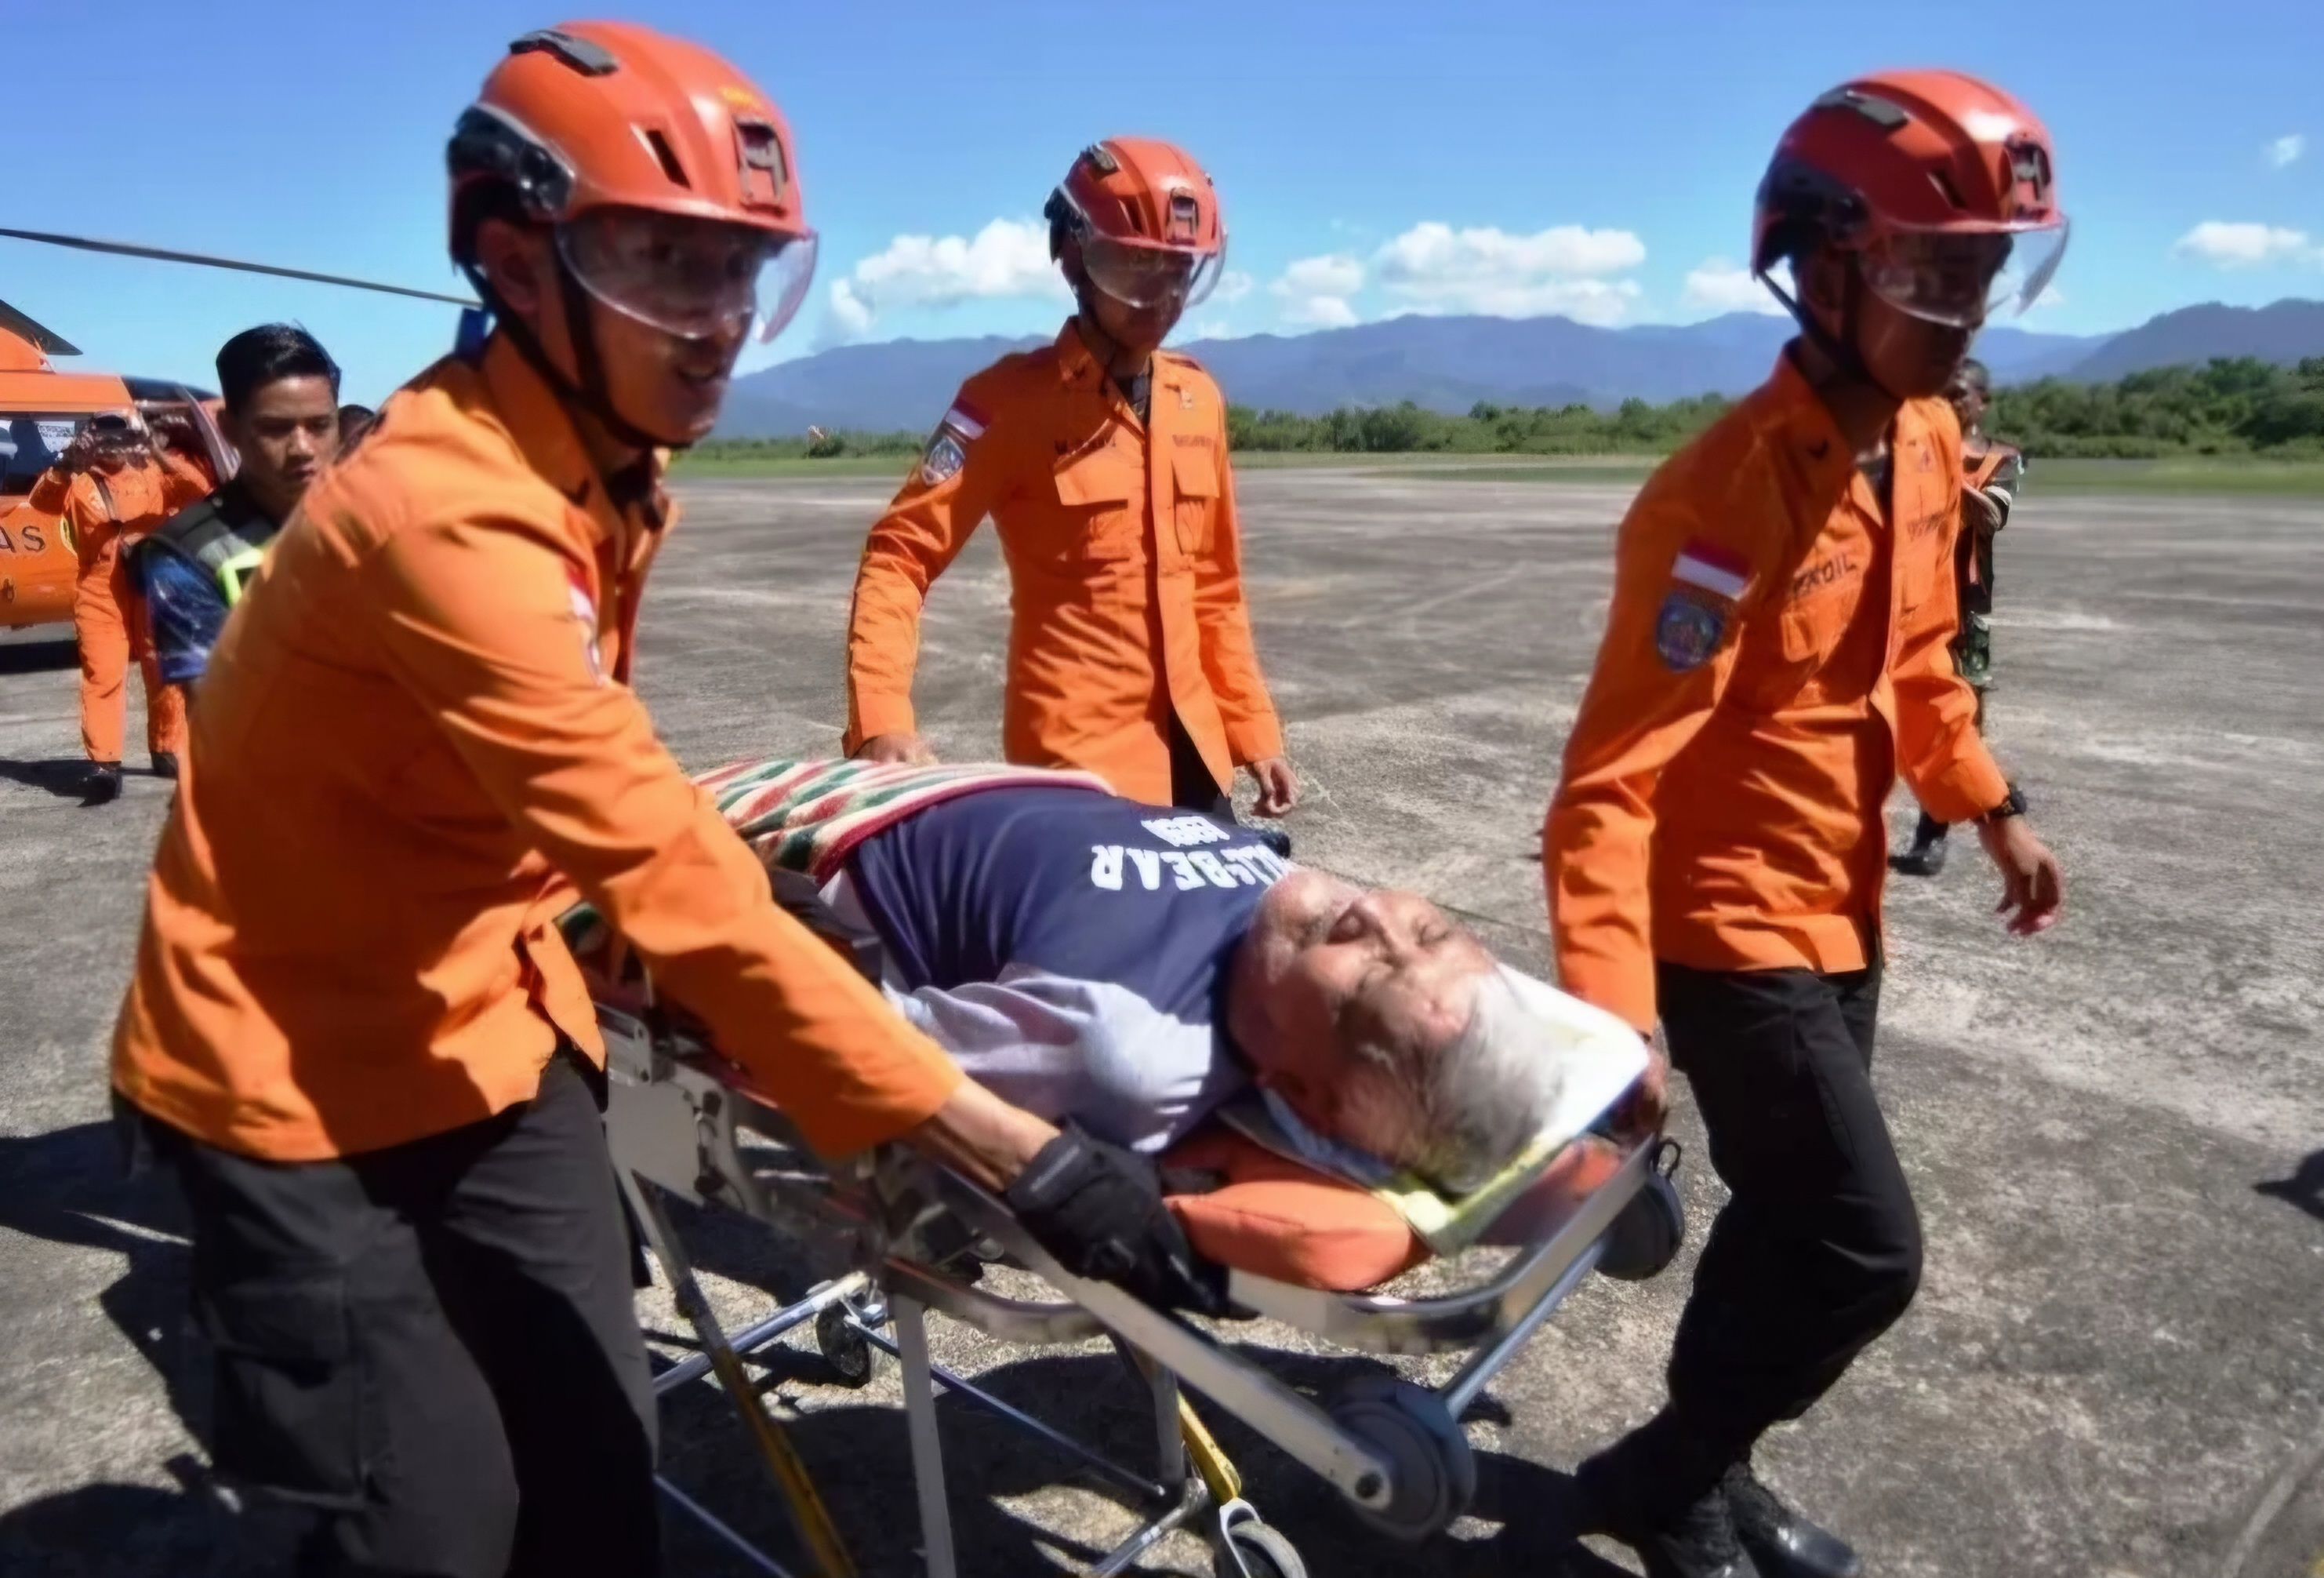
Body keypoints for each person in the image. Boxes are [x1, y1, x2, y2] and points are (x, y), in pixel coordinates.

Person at [111, 26, 1214, 1578]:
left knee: (596, 1477)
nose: (719, 324)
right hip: (293, 1074)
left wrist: (782, 919)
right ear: (517, 262)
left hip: (494, 1019)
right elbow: (650, 861)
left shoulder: (598, 465)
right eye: (665, 263)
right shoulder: (445, 516)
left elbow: (611, 773)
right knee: (428, 1529)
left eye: (743, 271)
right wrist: (1006, 1148)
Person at [1545, 72, 2071, 1578]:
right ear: (1821, 265)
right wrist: (1612, 1021)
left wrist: (1986, 806)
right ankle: (1656, 1475)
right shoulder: (1718, 496)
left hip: (1840, 903)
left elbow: (1918, 664)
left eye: (1982, 274)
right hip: (1723, 928)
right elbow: (1605, 782)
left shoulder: (1922, 441)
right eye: (1930, 273)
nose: (1962, 313)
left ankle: (1704, 1472)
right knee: (1863, 1249)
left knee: (1782, 1221)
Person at [843, 138, 1297, 821]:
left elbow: (1215, 590)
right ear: (1075, 256)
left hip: (1199, 767)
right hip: (1078, 775)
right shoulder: (1006, 404)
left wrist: (1253, 730)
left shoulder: (1197, 399)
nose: (1163, 295)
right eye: (1137, 265)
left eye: (1179, 270)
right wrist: (881, 721)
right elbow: (900, 556)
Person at [134, 325, 343, 691]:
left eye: (319, 426)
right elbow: (215, 702)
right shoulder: (187, 554)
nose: (302, 448)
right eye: (275, 429)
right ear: (229, 430)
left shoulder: (384, 519)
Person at [27, 410, 212, 802]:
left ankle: (166, 748)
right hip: (100, 590)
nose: (112, 443)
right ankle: (104, 765)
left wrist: (155, 450)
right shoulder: (77, 478)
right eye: (104, 434)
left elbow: (198, 489)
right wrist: (67, 462)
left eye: (121, 434)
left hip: (152, 583)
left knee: (162, 669)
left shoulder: (154, 473)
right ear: (90, 436)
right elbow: (41, 503)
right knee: (103, 672)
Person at [1891, 357, 2024, 876]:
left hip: (1967, 606)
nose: (1948, 404)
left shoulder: (2000, 458)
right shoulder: (1911, 450)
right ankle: (1935, 834)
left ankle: (1971, 814)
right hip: (1913, 603)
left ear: (1982, 403)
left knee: (1964, 716)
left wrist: (1942, 475)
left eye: (1960, 395)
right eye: (1941, 394)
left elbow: (1991, 516)